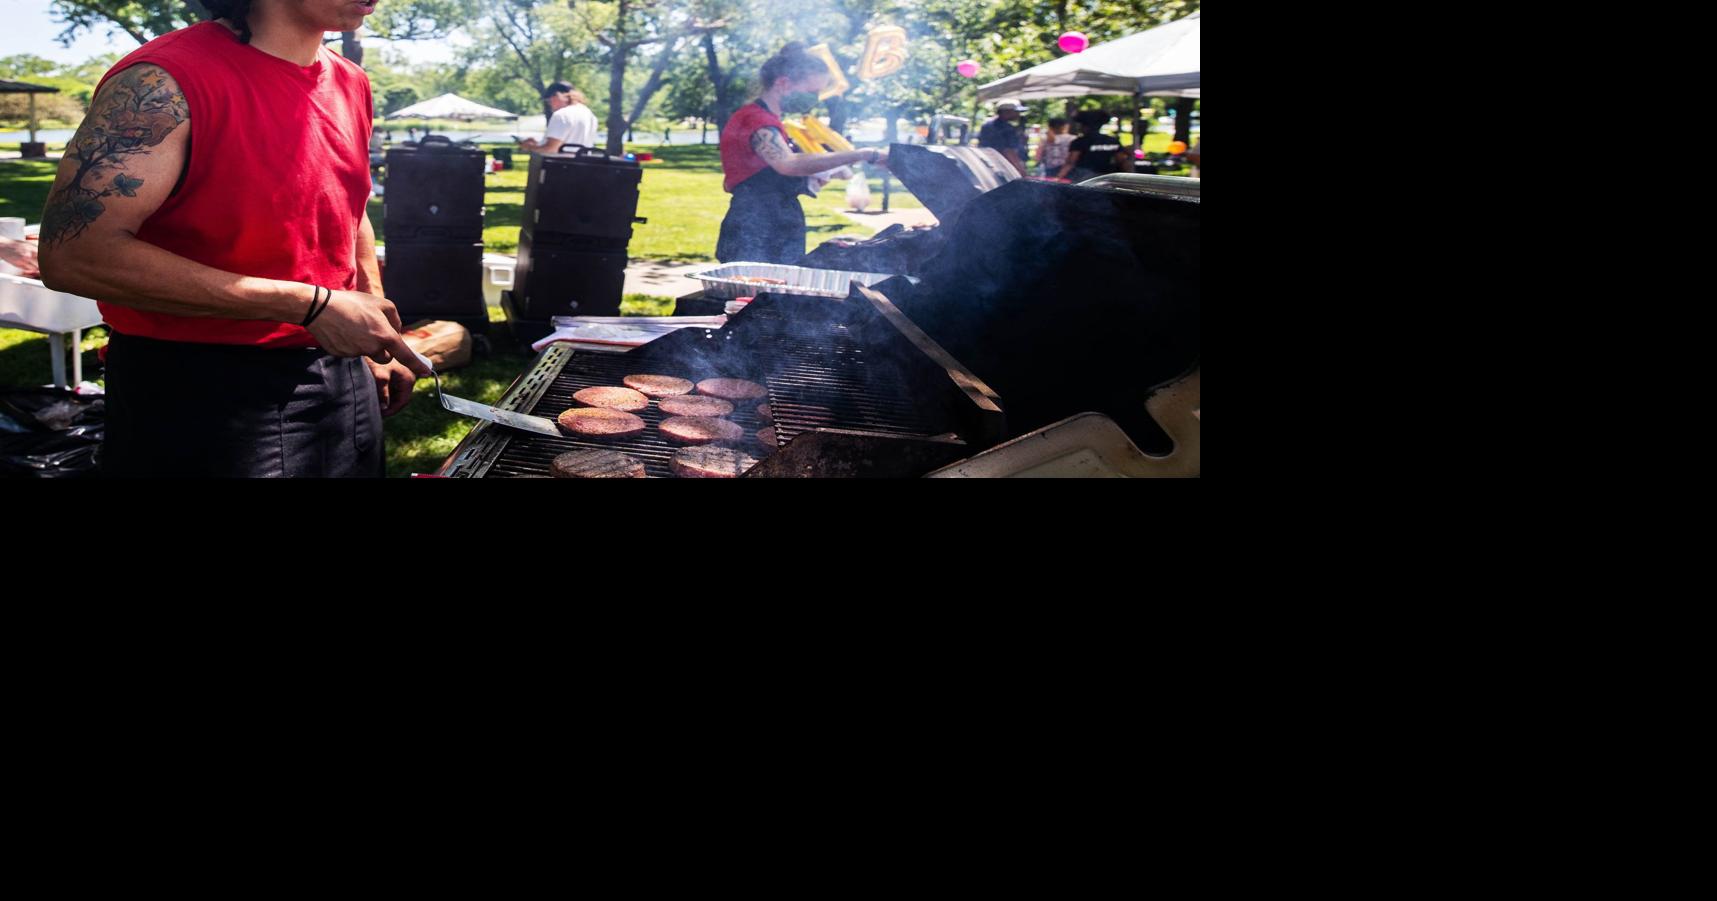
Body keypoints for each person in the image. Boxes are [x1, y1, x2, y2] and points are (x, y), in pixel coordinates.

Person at [35, 0, 429, 478]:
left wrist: (377, 334)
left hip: (340, 370)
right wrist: (308, 305)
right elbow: (75, 254)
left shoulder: (351, 81)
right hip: (200, 390)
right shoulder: (161, 81)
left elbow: (348, 207)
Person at [715, 42, 887, 264]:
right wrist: (862, 154)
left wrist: (813, 177)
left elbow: (767, 171)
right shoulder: (756, 119)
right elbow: (788, 164)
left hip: (773, 221)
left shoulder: (769, 119)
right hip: (755, 226)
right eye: (812, 91)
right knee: (755, 287)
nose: (815, 98)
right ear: (783, 84)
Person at [519, 82, 598, 155]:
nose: (549, 104)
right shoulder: (589, 115)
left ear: (557, 96)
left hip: (562, 163)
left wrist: (529, 147)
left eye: (549, 100)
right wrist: (539, 143)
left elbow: (550, 150)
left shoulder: (561, 115)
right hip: (584, 163)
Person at [1057, 109, 1131, 182]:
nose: (1079, 128)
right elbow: (1121, 161)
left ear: (1086, 126)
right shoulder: (1112, 141)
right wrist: (1129, 178)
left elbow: (1070, 163)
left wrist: (1058, 177)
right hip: (1107, 180)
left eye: (1081, 125)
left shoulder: (1079, 142)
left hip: (1084, 180)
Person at [977, 100, 1029, 177]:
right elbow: (1008, 151)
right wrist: (1021, 171)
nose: (1018, 114)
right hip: (1004, 168)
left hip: (987, 165)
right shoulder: (1006, 128)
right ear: (1006, 112)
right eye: (1016, 112)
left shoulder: (987, 125)